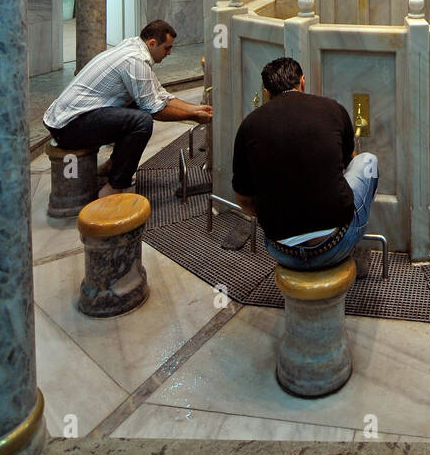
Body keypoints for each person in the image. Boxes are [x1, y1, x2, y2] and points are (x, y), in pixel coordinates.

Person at [231, 56, 378, 270]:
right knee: (367, 161)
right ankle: (355, 239)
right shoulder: (332, 109)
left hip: (279, 249)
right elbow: (350, 161)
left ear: (266, 92)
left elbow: (244, 199)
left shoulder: (249, 125)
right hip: (335, 244)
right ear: (302, 81)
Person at [44, 19, 213, 193]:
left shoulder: (134, 46)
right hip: (67, 127)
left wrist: (195, 108)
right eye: (167, 48)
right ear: (153, 43)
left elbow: (158, 93)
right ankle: (114, 187)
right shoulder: (135, 60)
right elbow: (154, 108)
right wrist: (193, 117)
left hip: (67, 118)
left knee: (136, 106)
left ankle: (111, 167)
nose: (169, 53)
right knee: (142, 121)